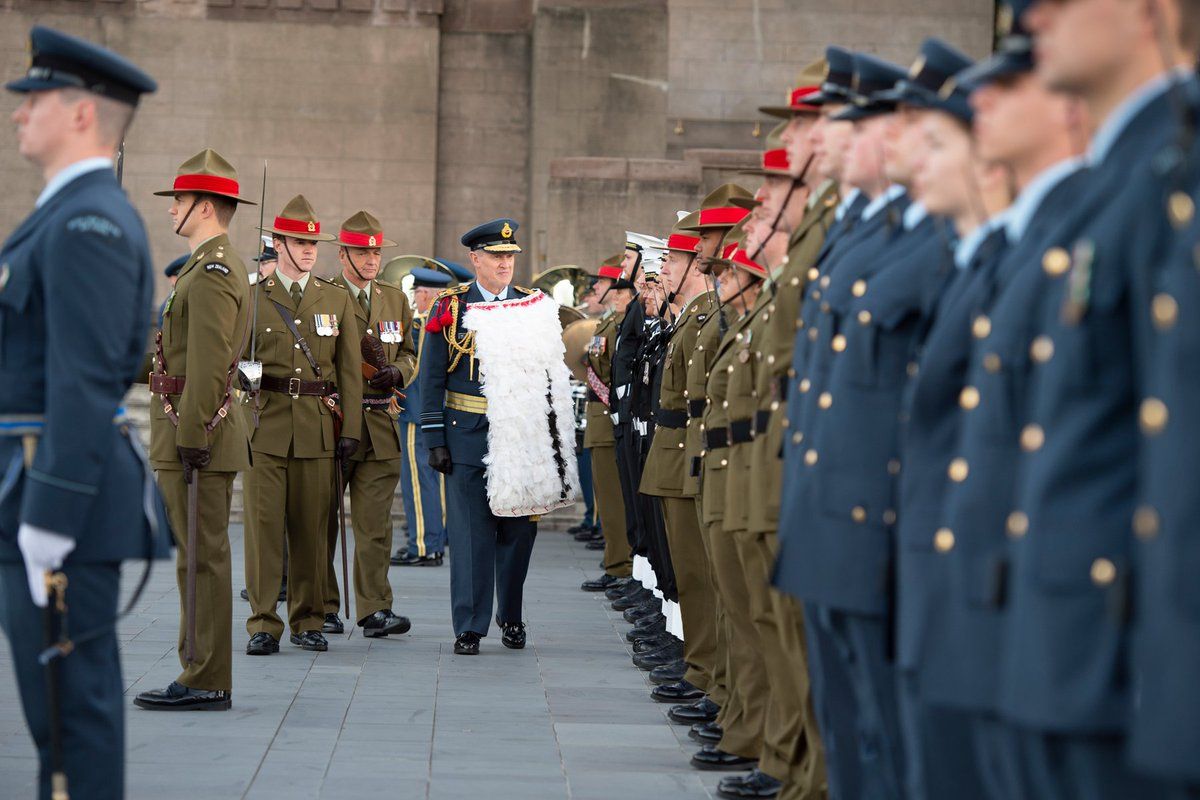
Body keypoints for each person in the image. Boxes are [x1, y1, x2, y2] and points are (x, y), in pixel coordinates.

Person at [0, 25, 166, 799]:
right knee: (54, 719)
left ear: (78, 113)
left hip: (52, 493)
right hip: (34, 484)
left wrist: (50, 518)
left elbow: (84, 379)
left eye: (32, 98)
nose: (17, 113)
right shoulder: (65, 213)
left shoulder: (86, 221)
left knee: (74, 722)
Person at [419, 218, 578, 655]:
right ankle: (469, 625)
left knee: (517, 534)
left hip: (521, 440)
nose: (505, 263)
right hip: (466, 435)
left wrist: (554, 441)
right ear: (476, 259)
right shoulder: (451, 308)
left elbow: (550, 375)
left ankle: (511, 616)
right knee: (471, 536)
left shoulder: (533, 305)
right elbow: (431, 377)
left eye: (510, 256)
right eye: (496, 256)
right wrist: (434, 437)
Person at [134, 148, 255, 711]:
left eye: (178, 200)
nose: (171, 210)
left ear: (203, 207)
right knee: (194, 557)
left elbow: (208, 366)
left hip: (194, 435)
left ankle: (206, 676)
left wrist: (190, 439)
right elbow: (177, 357)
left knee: (201, 558)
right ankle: (198, 669)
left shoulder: (209, 272)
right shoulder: (209, 266)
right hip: (191, 430)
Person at [236, 195, 361, 655]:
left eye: (314, 243)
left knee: (312, 530)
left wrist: (351, 431)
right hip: (265, 423)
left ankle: (308, 619)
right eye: (297, 242)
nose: (309, 250)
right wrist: (241, 379)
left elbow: (348, 369)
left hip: (316, 427)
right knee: (263, 530)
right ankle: (263, 623)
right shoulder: (252, 296)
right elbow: (230, 359)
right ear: (278, 243)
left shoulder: (335, 298)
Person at [324, 210, 417, 637]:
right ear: (342, 253)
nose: (370, 259)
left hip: (381, 424)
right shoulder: (322, 296)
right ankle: (320, 605)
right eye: (362, 252)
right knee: (319, 521)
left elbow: (411, 352)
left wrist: (398, 373)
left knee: (375, 526)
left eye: (376, 251)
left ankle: (374, 609)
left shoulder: (394, 298)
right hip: (332, 422)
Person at [392, 265, 451, 567]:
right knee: (433, 482)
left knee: (417, 481)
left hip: (415, 410)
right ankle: (434, 541)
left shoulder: (422, 324)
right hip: (434, 412)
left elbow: (413, 371)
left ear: (425, 294)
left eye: (417, 292)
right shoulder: (443, 323)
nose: (415, 297)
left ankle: (423, 545)